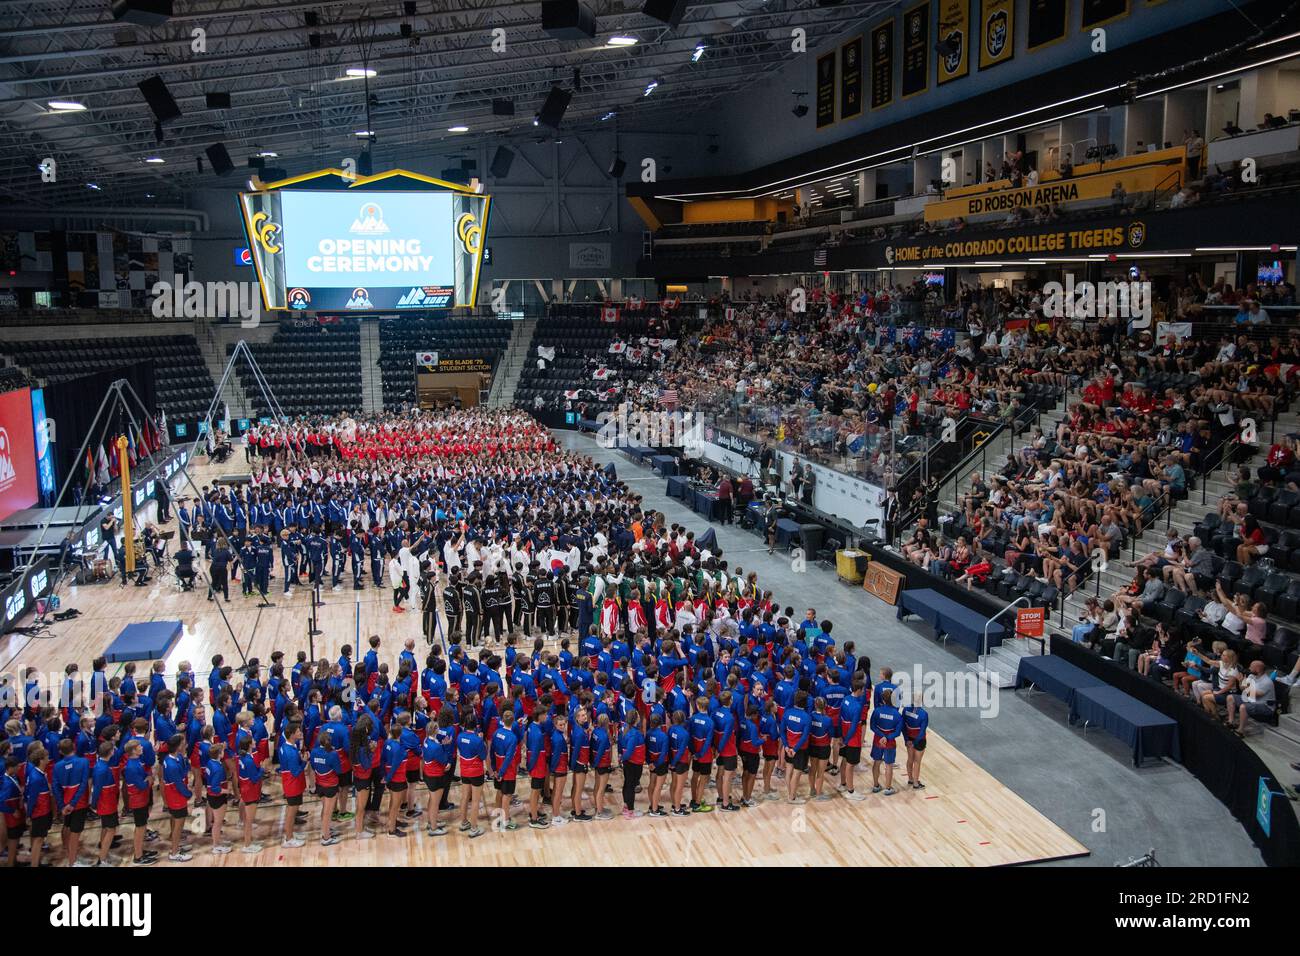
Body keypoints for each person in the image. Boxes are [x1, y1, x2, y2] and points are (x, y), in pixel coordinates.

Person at [1226, 660, 1276, 737]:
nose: (1249, 668)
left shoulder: (1267, 682)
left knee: (1243, 707)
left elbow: (1255, 695)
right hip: (1251, 701)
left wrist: (1245, 686)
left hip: (1265, 706)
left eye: (1251, 667)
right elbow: (1243, 689)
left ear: (1258, 669)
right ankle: (1231, 722)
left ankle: (1240, 731)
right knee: (1230, 697)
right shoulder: (1251, 676)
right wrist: (1240, 681)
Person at [869, 688, 902, 795]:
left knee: (877, 762)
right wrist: (887, 737)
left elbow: (872, 727)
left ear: (883, 700)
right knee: (889, 765)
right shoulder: (897, 715)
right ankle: (888, 788)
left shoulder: (877, 711)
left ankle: (875, 785)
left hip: (877, 740)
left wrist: (882, 736)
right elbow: (897, 733)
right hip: (890, 742)